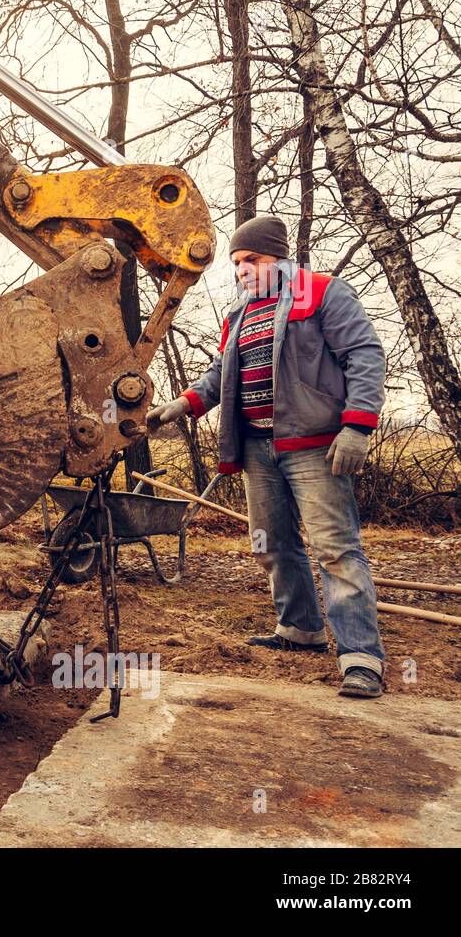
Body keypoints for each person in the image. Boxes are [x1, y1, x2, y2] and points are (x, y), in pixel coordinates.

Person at [146, 214, 387, 698]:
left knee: (335, 549)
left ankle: (361, 658)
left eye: (251, 259)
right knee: (271, 544)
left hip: (314, 445)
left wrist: (357, 425)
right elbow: (221, 374)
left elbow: (364, 354)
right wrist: (184, 403)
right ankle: (300, 629)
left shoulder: (322, 292)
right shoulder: (238, 314)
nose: (242, 270)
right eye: (236, 263)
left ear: (279, 256)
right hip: (257, 448)